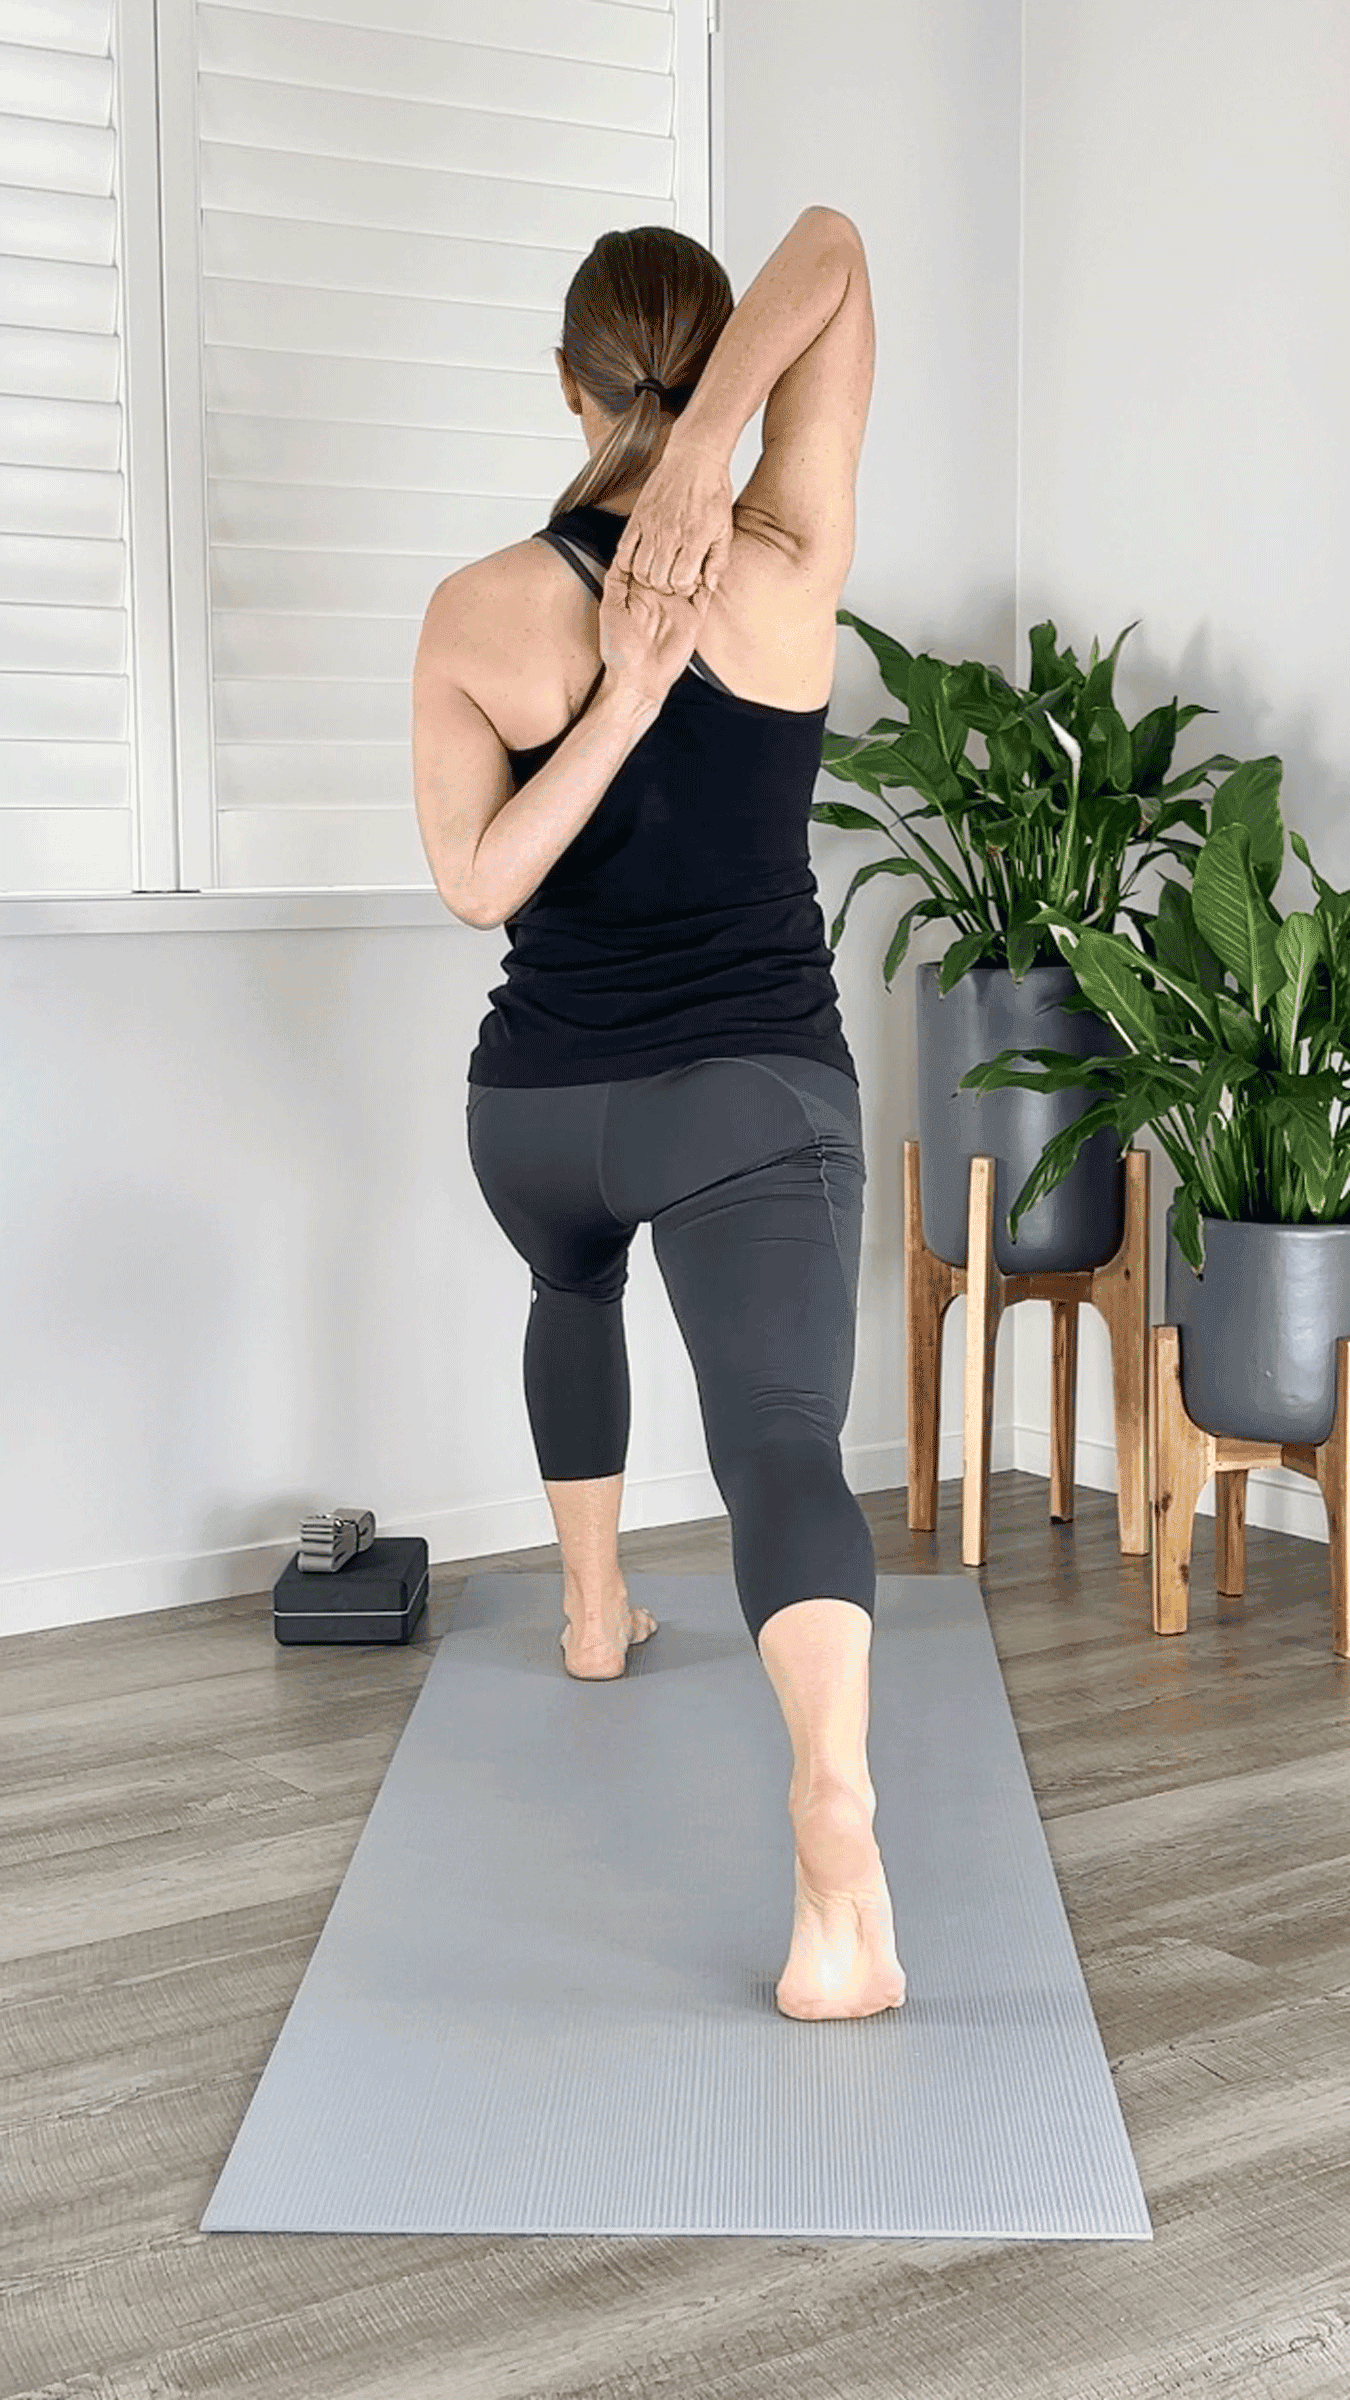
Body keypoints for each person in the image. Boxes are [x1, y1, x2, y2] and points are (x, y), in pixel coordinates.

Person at [412, 209, 905, 2023]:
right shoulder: (780, 553)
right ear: (723, 377)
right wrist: (708, 480)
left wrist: (607, 686)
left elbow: (477, 887)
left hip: (535, 1115)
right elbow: (831, 246)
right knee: (777, 1448)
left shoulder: (474, 608)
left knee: (573, 1287)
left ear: (565, 380)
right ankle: (832, 1818)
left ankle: (591, 1613)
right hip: (742, 1104)